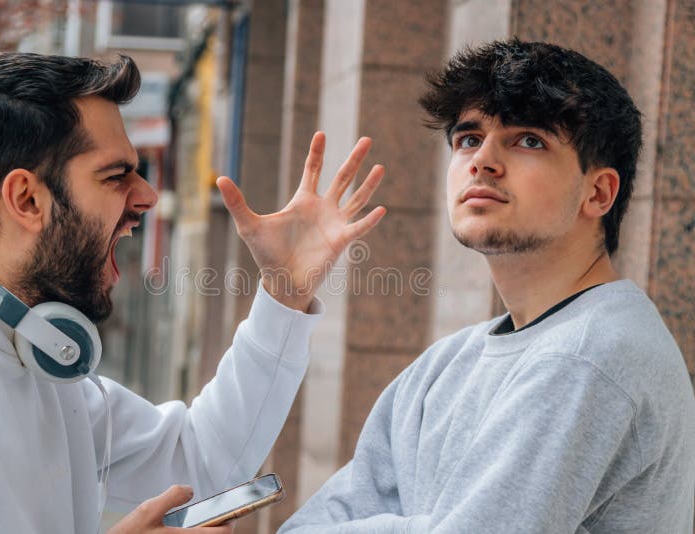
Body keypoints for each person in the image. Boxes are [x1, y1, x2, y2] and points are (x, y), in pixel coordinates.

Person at [0, 52, 387, 533]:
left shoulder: (35, 357)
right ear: (27, 199)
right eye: (116, 175)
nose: (147, 196)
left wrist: (285, 291)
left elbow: (198, 462)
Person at [281, 38, 695, 533]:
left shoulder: (591, 356)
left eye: (529, 141)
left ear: (598, 192)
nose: (483, 161)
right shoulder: (442, 368)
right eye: (469, 139)